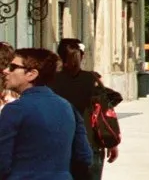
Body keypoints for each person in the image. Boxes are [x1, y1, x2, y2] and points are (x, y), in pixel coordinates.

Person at [0, 47, 93, 180]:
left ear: (32, 74)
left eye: (13, 67)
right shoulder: (67, 106)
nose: (5, 71)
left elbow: (2, 161)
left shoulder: (15, 109)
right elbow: (84, 156)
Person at [49, 37, 120, 180]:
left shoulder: (50, 81)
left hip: (57, 143)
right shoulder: (90, 79)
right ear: (82, 56)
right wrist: (111, 142)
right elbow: (113, 100)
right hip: (89, 141)